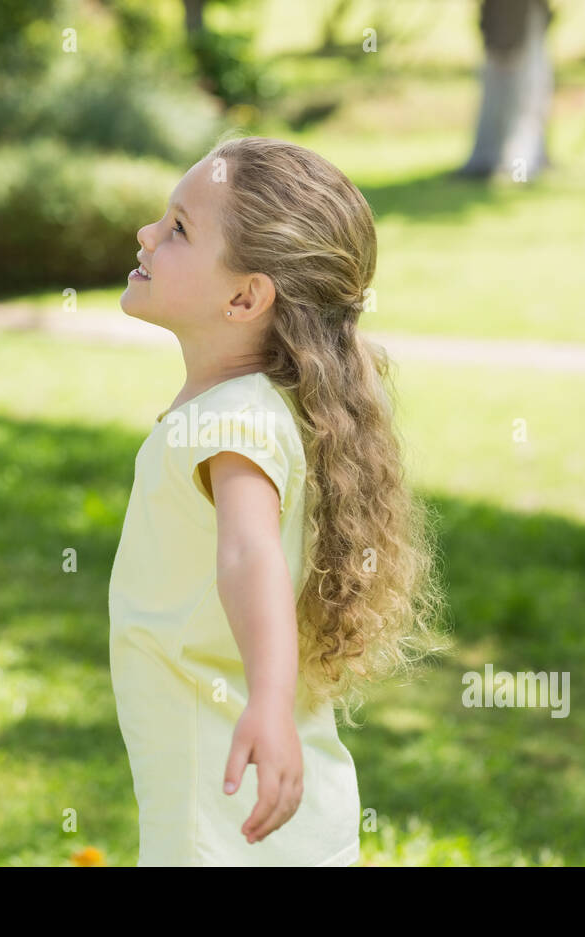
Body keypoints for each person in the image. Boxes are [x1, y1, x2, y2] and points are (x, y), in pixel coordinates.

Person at [110, 134, 449, 866]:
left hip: (226, 801)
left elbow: (249, 549)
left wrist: (266, 705)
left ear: (245, 297)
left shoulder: (232, 420)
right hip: (279, 801)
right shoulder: (266, 406)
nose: (147, 234)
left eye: (178, 229)